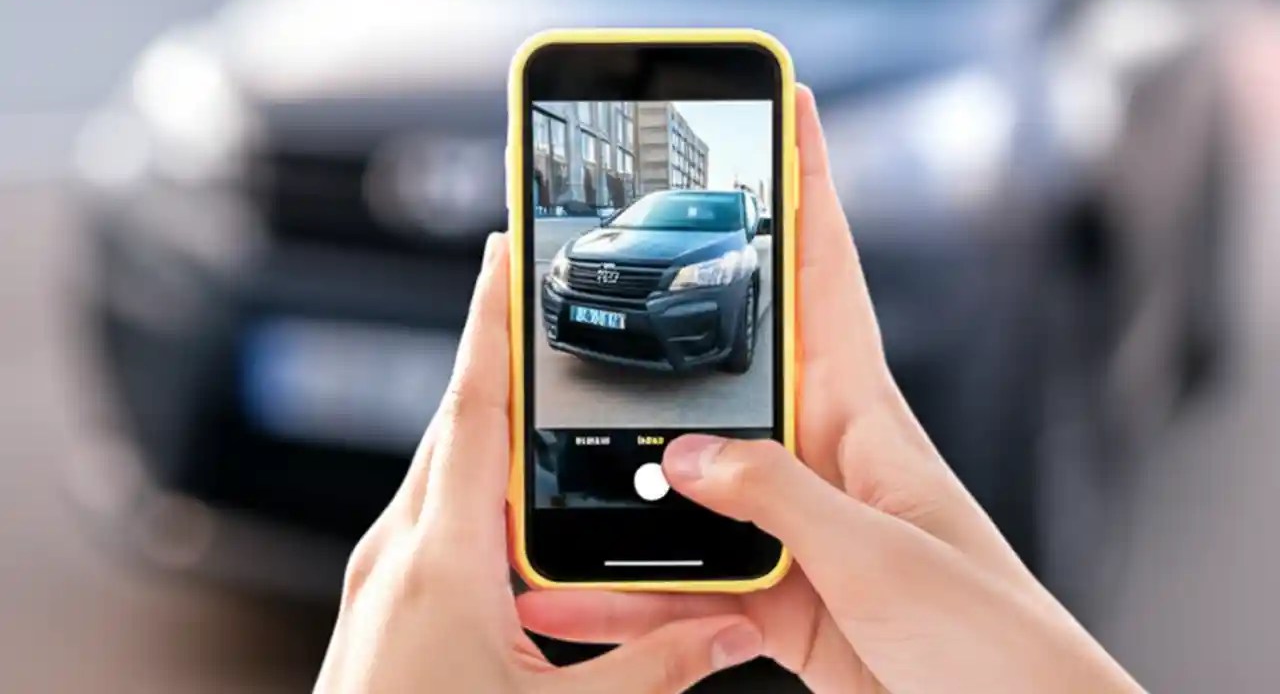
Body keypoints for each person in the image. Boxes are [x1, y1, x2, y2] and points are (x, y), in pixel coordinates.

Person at [315, 87, 1145, 693]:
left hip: (688, 291)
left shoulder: (732, 234)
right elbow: (572, 268)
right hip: (608, 294)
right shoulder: (611, 236)